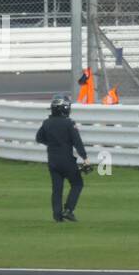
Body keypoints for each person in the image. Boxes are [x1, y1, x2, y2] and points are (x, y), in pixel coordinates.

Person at [35, 95, 89, 223]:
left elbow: (39, 138)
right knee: (77, 184)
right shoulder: (69, 123)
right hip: (67, 160)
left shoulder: (47, 123)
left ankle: (57, 216)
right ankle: (69, 210)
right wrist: (85, 158)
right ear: (64, 108)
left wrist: (52, 143)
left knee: (57, 189)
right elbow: (77, 142)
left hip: (52, 160)